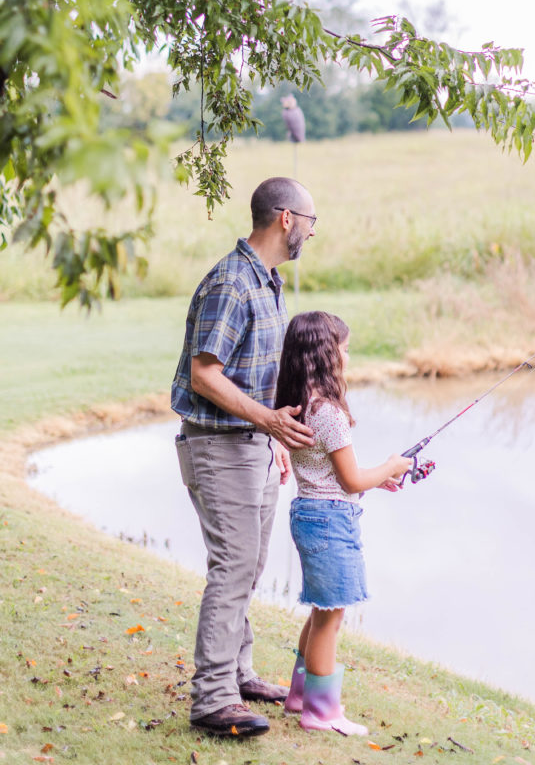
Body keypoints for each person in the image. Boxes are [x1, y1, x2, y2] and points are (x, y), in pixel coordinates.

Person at [171, 177, 317, 738]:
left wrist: (274, 438)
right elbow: (203, 375)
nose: (310, 230)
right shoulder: (232, 283)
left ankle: (239, 673)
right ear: (285, 218)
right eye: (309, 219)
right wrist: (267, 421)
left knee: (249, 566)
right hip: (219, 446)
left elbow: (254, 374)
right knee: (233, 568)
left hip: (254, 445)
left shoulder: (269, 282)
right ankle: (212, 700)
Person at [274, 311, 412, 736]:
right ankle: (320, 711)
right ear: (325, 354)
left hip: (314, 512)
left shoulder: (302, 403)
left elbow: (337, 478)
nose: (347, 357)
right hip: (329, 520)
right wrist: (390, 465)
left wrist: (377, 478)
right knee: (331, 617)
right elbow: (351, 478)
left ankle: (301, 696)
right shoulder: (329, 412)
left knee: (322, 612)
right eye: (345, 349)